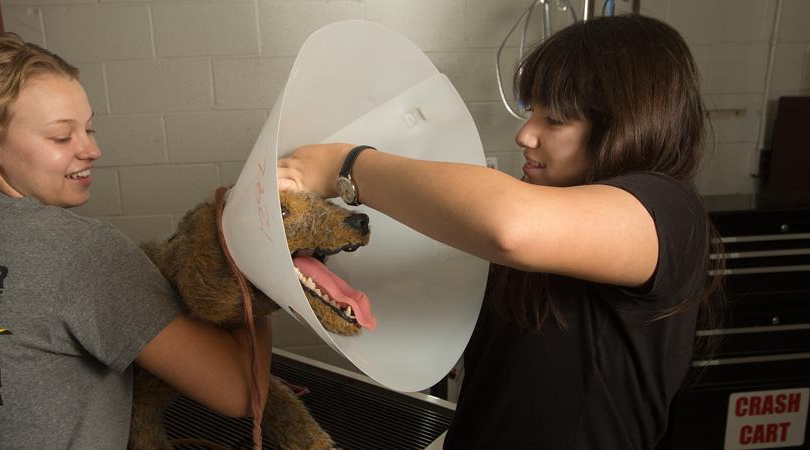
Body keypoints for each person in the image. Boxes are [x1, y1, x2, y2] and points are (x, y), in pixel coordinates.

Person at [278, 15, 723, 450]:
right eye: (533, 111)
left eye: (555, 119)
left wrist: (346, 164)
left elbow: (509, 225)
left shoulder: (667, 207)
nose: (525, 134)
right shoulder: (557, 220)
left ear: (627, 123)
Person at [0, 33, 271, 449]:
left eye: (89, 128)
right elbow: (242, 393)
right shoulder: (81, 250)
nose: (92, 149)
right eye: (62, 137)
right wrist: (248, 253)